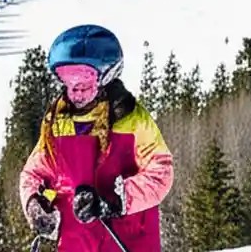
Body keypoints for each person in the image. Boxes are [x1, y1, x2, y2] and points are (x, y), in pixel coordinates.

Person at [19, 24, 173, 252]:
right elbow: (34, 174)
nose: (76, 91)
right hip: (76, 243)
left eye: (84, 79)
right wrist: (35, 204)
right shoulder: (58, 123)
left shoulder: (131, 120)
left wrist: (118, 199)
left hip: (126, 241)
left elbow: (161, 172)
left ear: (106, 76)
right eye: (67, 79)